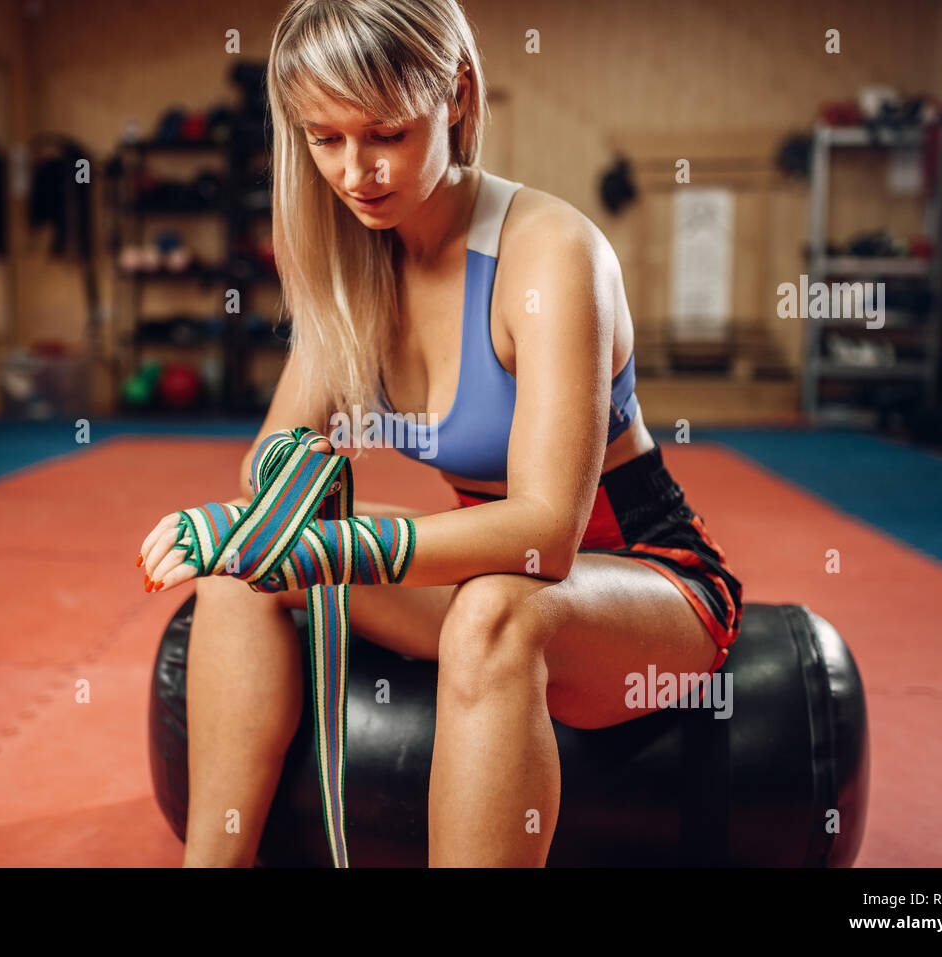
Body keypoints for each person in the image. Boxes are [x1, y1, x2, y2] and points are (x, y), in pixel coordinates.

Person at [137, 0, 743, 867]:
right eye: (325, 139)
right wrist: (267, 520)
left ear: (456, 95)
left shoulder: (549, 256)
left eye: (384, 131)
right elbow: (266, 461)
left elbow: (544, 537)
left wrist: (333, 545)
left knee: (498, 613)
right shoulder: (353, 262)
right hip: (480, 579)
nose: (356, 172)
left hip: (645, 583)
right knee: (244, 571)